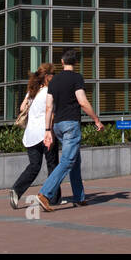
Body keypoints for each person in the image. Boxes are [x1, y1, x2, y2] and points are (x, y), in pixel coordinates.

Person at [36, 49, 103, 212]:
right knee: (67, 161)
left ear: (62, 62)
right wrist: (96, 119)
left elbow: (48, 107)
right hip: (71, 124)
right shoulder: (77, 78)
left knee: (75, 161)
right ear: (75, 63)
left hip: (58, 125)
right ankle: (45, 193)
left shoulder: (54, 80)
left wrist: (47, 129)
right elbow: (82, 101)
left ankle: (79, 197)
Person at [8, 63, 62, 209]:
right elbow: (50, 111)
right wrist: (48, 131)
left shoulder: (32, 91)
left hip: (31, 134)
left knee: (34, 166)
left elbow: (21, 108)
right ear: (48, 77)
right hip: (45, 133)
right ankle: (53, 198)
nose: (54, 78)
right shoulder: (50, 91)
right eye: (53, 75)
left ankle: (16, 190)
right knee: (53, 165)